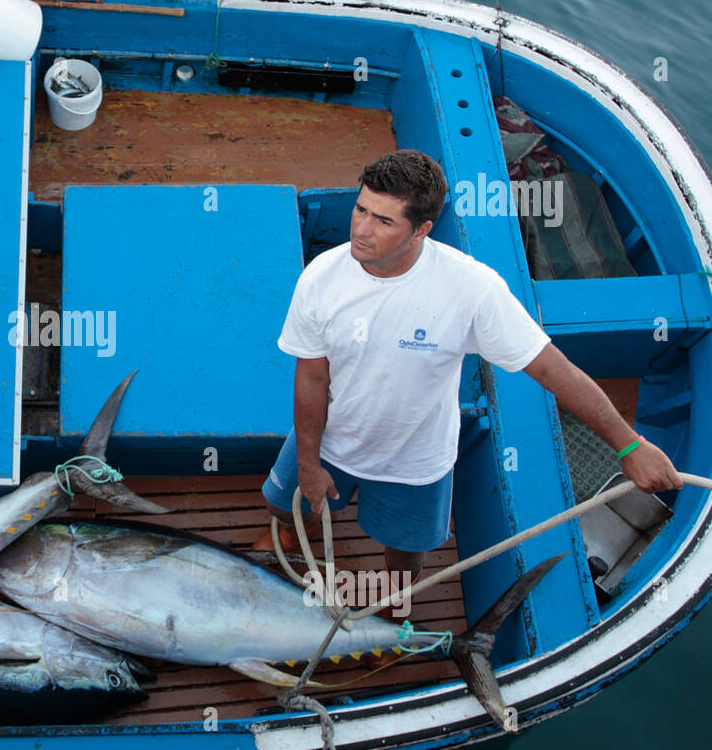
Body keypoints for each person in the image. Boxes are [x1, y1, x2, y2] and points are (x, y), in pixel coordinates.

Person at [261, 149, 683, 589]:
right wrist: (309, 462)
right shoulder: (321, 276)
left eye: (384, 221)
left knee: (405, 556)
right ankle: (292, 536)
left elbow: (553, 371)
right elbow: (311, 377)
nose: (361, 231)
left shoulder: (471, 289)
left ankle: (390, 604)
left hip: (415, 459)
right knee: (282, 506)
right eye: (361, 209)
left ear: (422, 229)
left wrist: (629, 447)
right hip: (330, 438)